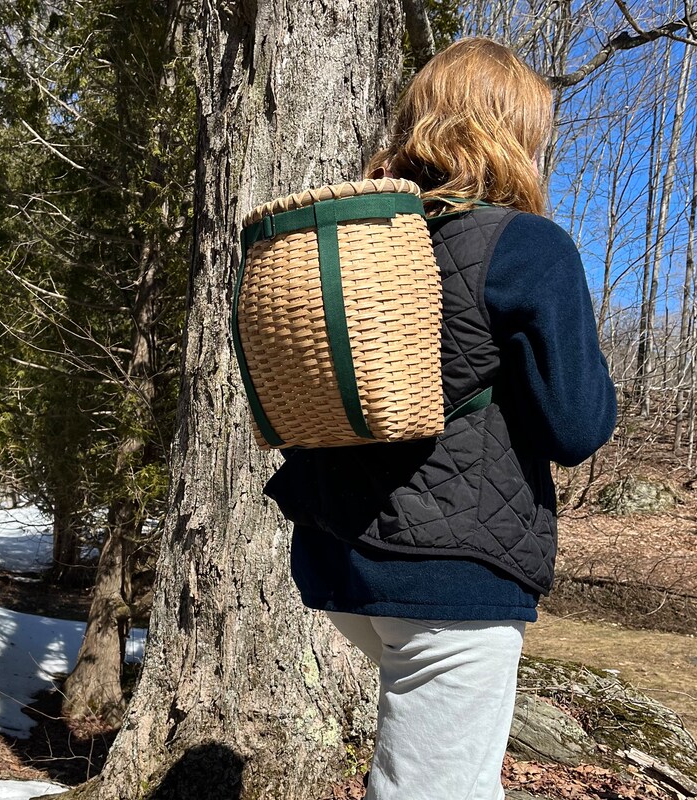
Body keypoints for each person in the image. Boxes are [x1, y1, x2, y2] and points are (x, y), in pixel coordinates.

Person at [262, 37, 617, 800]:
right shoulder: (528, 248)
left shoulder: (360, 237)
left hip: (335, 561)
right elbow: (578, 426)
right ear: (515, 132)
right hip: (453, 575)